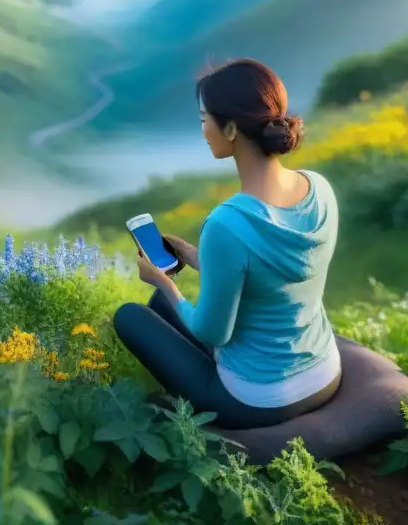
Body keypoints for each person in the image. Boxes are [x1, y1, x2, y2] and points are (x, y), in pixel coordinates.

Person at [113, 58, 342, 431]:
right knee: (163, 309)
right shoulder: (319, 188)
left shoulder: (227, 223)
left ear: (231, 128)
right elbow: (271, 274)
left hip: (259, 400)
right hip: (325, 374)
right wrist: (195, 256)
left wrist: (164, 282)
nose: (204, 131)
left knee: (132, 314)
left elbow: (213, 334)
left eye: (205, 120)